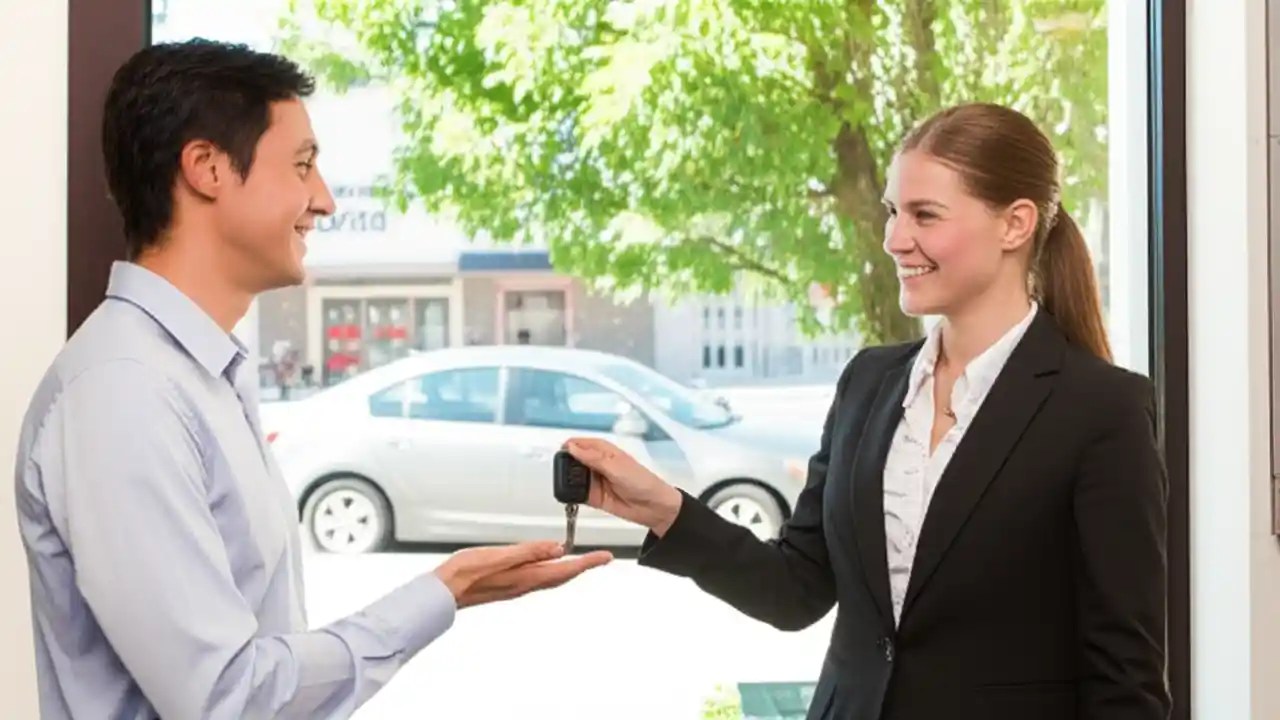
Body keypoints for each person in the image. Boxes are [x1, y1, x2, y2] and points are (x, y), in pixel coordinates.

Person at [13, 39, 611, 720]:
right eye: (301, 166)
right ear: (206, 168)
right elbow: (227, 700)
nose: (321, 200)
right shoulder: (124, 392)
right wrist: (442, 591)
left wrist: (448, 591)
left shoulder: (198, 374)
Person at [566, 103, 1170, 720]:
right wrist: (665, 509)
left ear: (1014, 225)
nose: (894, 239)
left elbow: (1125, 677)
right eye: (892, 212)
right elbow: (795, 588)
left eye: (924, 215)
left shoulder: (1101, 409)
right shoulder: (870, 383)